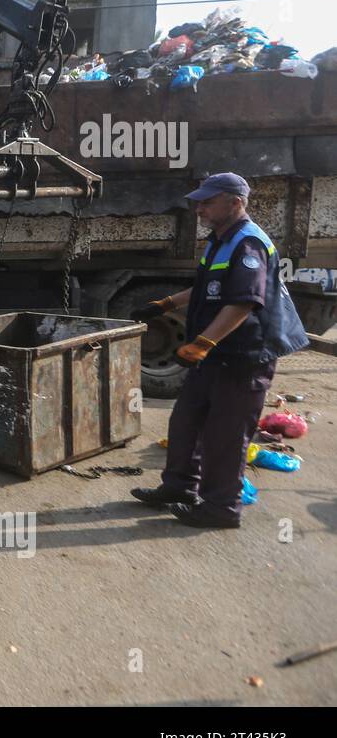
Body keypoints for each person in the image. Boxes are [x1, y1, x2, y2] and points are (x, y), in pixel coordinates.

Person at [128, 172, 309, 529]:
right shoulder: (219, 240)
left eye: (208, 202)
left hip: (244, 357)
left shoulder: (249, 244)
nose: (200, 209)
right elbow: (209, 287)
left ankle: (221, 509)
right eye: (199, 202)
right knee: (185, 421)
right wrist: (165, 304)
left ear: (235, 203)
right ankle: (179, 487)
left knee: (225, 436)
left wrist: (202, 343)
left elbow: (243, 303)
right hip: (216, 356)